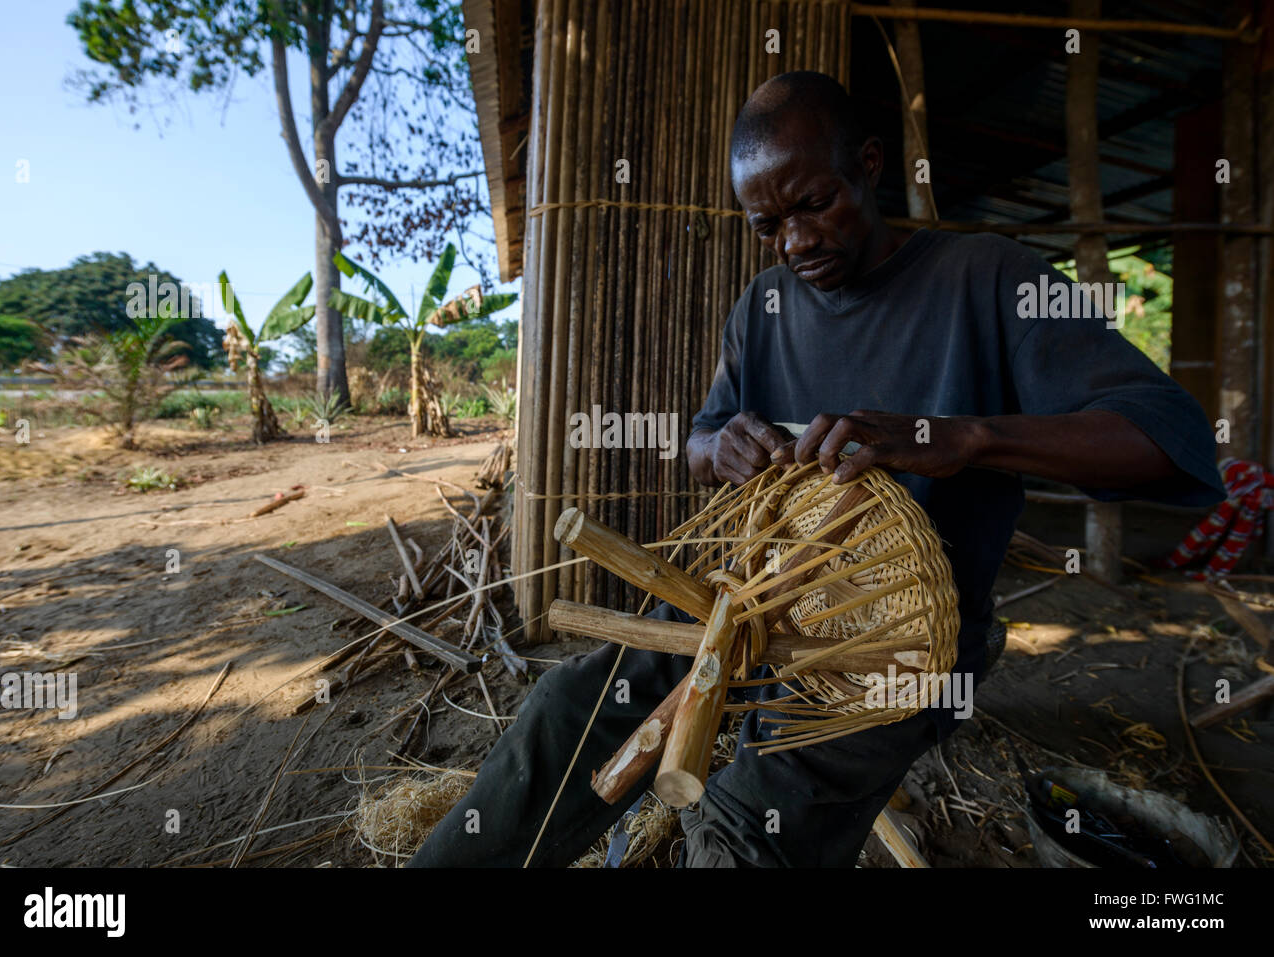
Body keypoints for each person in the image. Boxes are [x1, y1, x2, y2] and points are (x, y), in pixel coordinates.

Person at [408, 71, 1223, 868]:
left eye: (814, 204)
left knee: (743, 824)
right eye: (767, 226)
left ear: (869, 165)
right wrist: (719, 445)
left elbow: (1170, 434)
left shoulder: (987, 279)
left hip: (903, 648)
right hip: (746, 599)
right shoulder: (762, 308)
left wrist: (967, 436)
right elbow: (700, 439)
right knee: (565, 711)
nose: (795, 242)